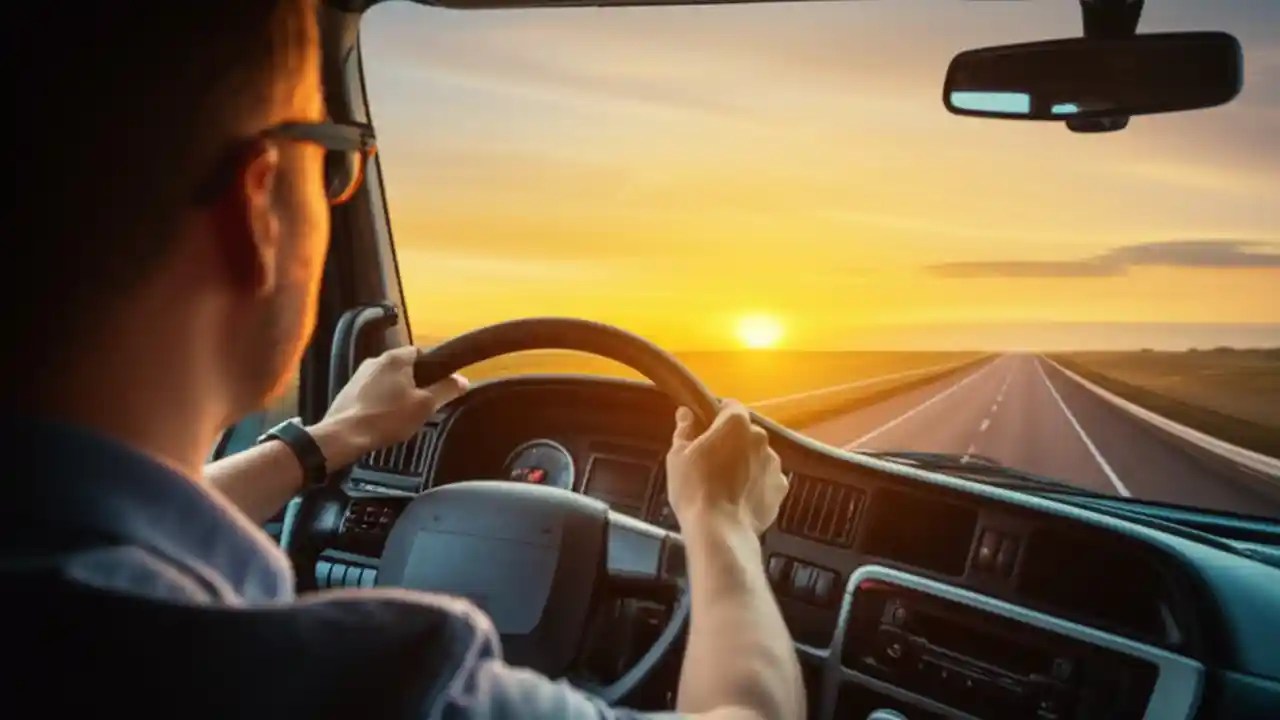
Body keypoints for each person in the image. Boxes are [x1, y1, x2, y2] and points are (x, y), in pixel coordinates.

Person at [4, 2, 803, 718]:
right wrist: (722, 526)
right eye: (333, 159)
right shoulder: (358, 682)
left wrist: (322, 442)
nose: (339, 191)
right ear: (260, 213)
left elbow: (105, 524)